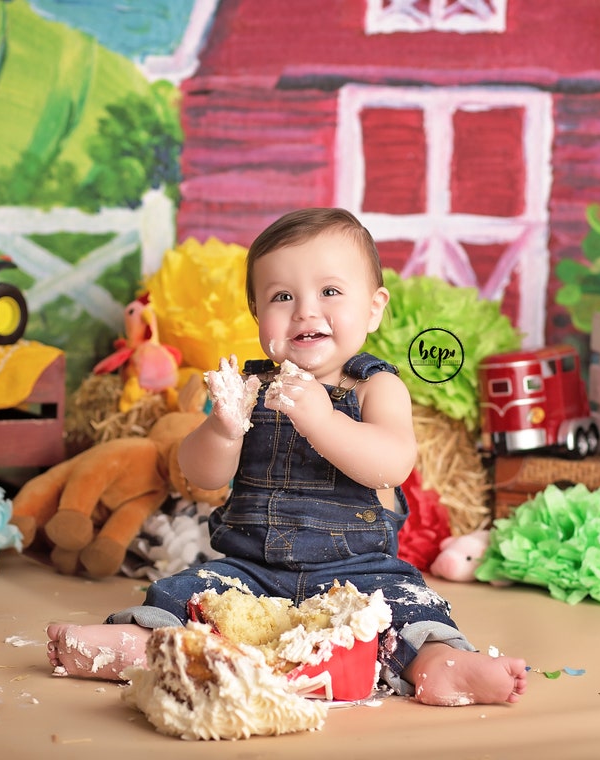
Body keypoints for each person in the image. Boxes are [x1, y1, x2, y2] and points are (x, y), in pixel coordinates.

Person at [46, 207, 527, 707]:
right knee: (184, 591)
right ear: (258, 315)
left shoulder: (375, 387)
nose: (305, 310)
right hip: (251, 569)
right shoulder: (253, 388)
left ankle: (441, 665)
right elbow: (200, 475)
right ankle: (145, 646)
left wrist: (323, 421)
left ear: (373, 308)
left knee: (407, 607)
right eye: (282, 297)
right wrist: (223, 429)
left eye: (331, 292)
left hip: (360, 571)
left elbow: (392, 464)